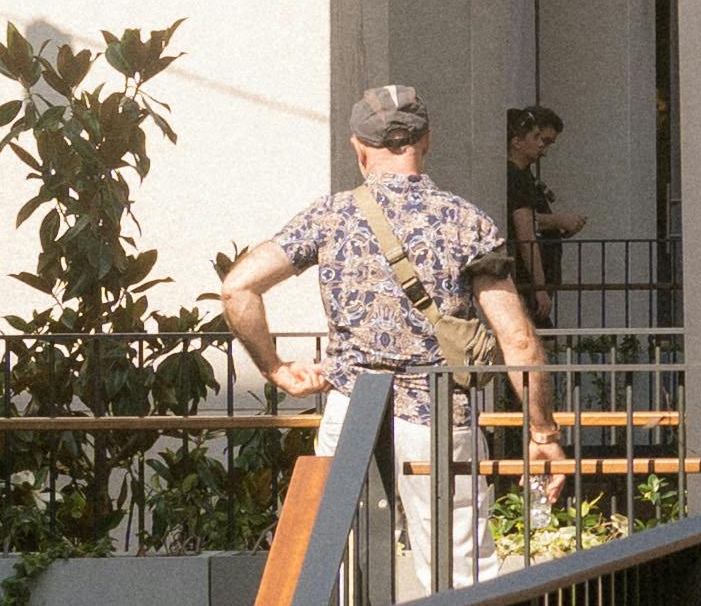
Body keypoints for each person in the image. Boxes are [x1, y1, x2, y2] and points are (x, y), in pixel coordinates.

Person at [218, 85, 567, 507]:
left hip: (351, 412)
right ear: (426, 142)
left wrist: (275, 368)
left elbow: (237, 288)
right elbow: (519, 340)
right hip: (438, 416)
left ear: (358, 148)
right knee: (456, 560)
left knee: (342, 556)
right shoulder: (466, 222)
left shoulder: (328, 217)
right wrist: (542, 432)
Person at [501, 103, 583, 322]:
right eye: (538, 138)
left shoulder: (523, 176)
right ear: (516, 141)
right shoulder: (516, 177)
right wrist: (539, 287)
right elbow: (525, 231)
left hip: (529, 283)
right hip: (526, 284)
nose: (542, 148)